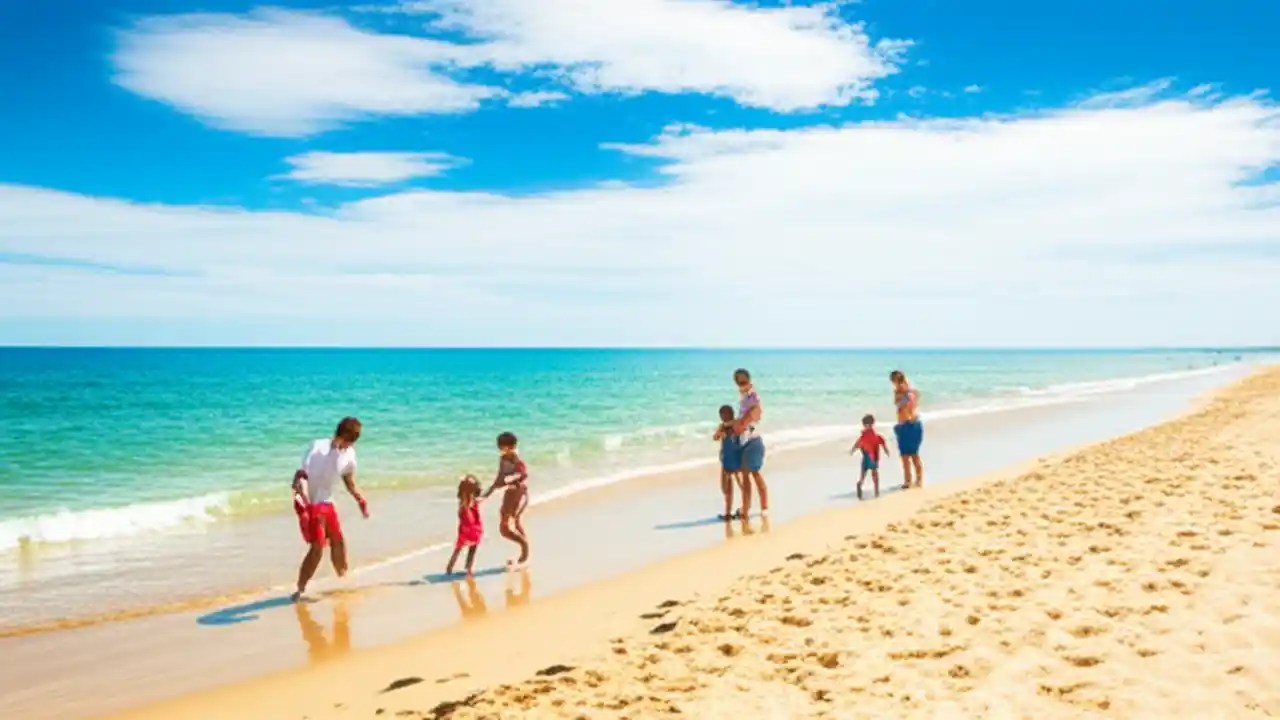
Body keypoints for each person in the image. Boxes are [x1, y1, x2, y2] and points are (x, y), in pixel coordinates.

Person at [291, 417, 368, 600]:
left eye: (351, 443)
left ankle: (343, 580)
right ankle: (300, 590)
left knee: (338, 541)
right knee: (317, 548)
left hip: (327, 503)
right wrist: (299, 491)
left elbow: (348, 481)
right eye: (346, 441)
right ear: (338, 434)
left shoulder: (349, 456)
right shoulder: (317, 447)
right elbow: (301, 474)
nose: (347, 446)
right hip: (312, 504)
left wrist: (360, 499)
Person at [482, 431, 530, 567]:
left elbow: (523, 473)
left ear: (509, 446)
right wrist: (485, 495)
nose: (499, 449)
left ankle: (524, 550)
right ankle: (523, 547)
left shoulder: (517, 459)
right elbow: (499, 480)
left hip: (519, 493)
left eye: (501, 446)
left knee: (513, 522)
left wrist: (513, 478)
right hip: (509, 493)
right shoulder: (503, 459)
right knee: (504, 528)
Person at [732, 368, 769, 518]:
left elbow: (755, 413)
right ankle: (746, 507)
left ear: (749, 381)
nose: (740, 385)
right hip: (744, 440)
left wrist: (741, 424)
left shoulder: (753, 396)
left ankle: (763, 507)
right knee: (744, 475)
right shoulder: (744, 397)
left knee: (753, 474)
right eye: (738, 382)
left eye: (743, 382)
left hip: (753, 440)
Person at [890, 370, 924, 489]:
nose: (897, 385)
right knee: (909, 456)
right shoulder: (907, 392)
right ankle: (912, 480)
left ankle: (914, 480)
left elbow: (905, 408)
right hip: (908, 424)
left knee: (910, 455)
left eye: (898, 382)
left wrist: (903, 395)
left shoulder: (906, 393)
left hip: (909, 425)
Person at [445, 474, 484, 576]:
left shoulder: (465, 500)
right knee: (472, 547)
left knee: (459, 547)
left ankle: (450, 567)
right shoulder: (469, 500)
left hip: (467, 526)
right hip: (473, 527)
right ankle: (468, 568)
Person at [712, 404, 743, 520]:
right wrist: (720, 431)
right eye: (721, 415)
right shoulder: (722, 427)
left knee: (740, 483)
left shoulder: (736, 424)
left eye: (724, 414)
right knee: (725, 487)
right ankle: (729, 511)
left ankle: (741, 509)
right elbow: (715, 437)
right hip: (726, 459)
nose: (722, 417)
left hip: (736, 458)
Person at [850, 414, 890, 499]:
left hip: (870, 457)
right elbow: (859, 443)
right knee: (868, 474)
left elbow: (881, 441)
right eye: (866, 425)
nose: (868, 426)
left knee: (873, 475)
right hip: (870, 457)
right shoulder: (867, 435)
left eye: (869, 424)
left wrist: (886, 450)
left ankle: (875, 491)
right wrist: (853, 450)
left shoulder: (866, 435)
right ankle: (862, 486)